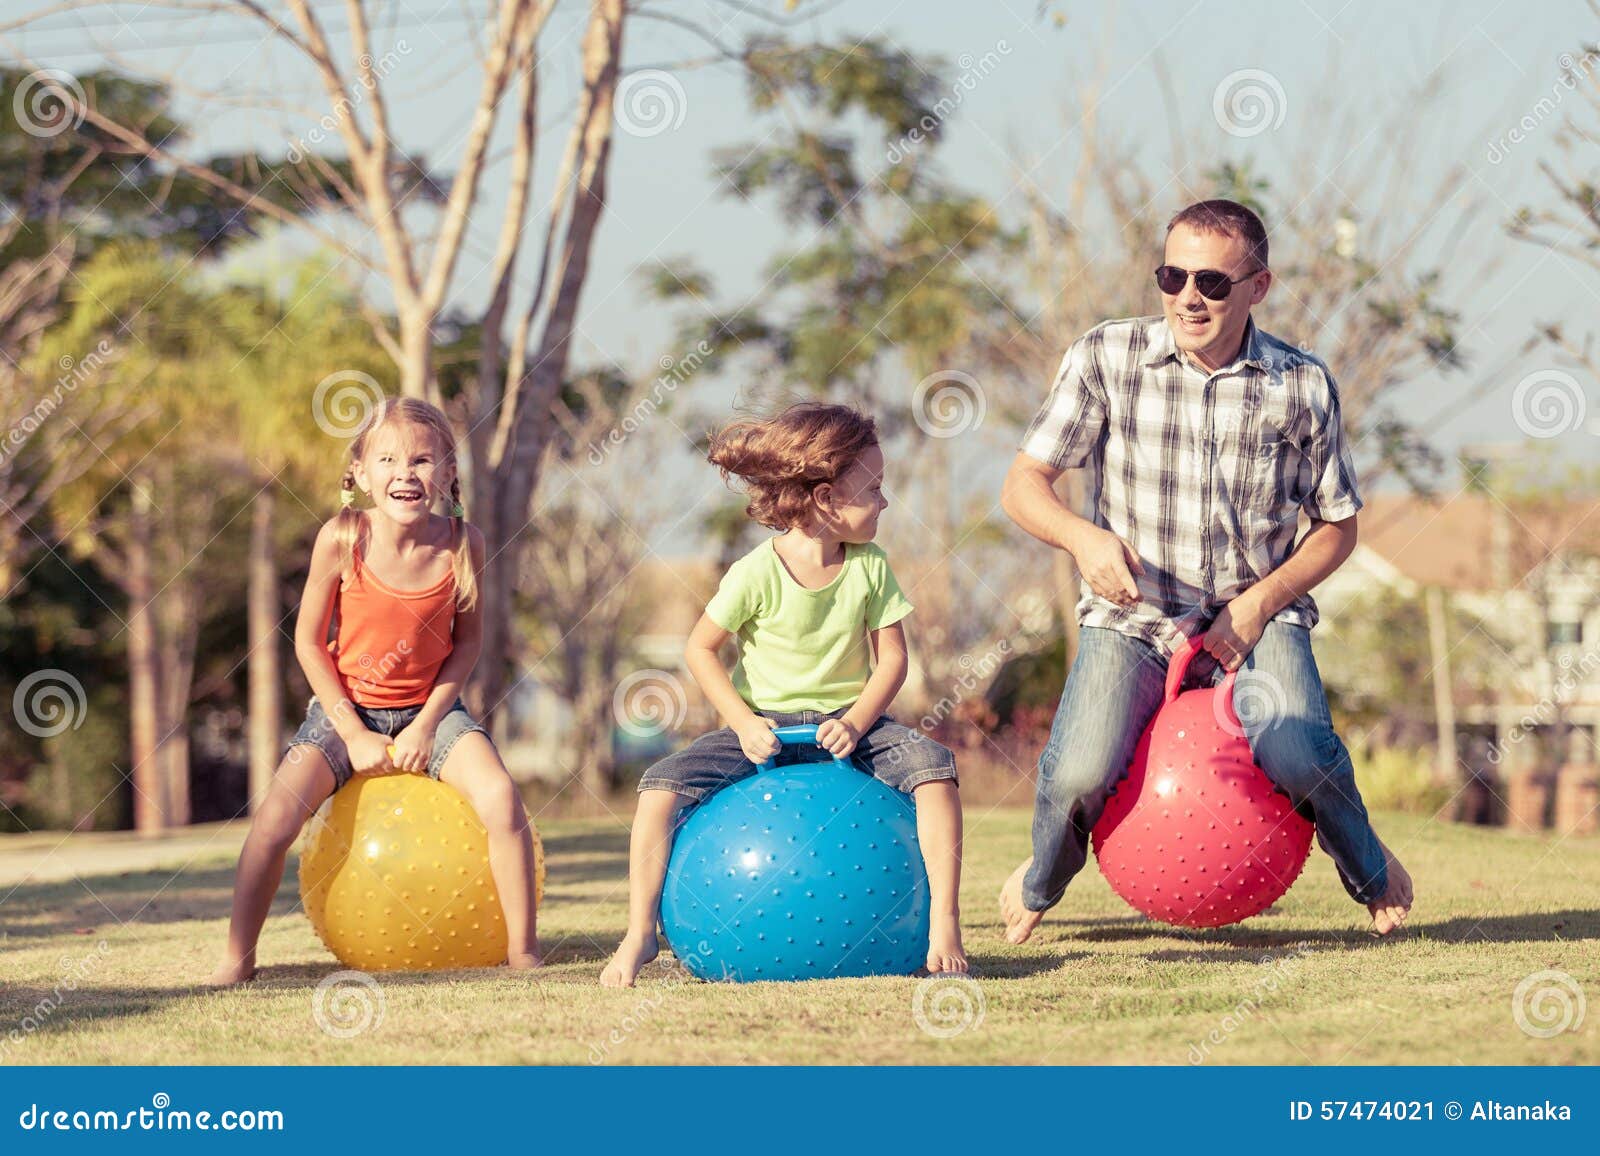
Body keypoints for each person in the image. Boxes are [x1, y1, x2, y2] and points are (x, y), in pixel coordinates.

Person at [997, 198, 1414, 944]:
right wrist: (1084, 541)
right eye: (1173, 275)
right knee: (1078, 772)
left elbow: (1337, 527)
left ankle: (1371, 871)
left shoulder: (1302, 384)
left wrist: (1257, 606)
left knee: (1297, 750)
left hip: (1256, 618)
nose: (1189, 296)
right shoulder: (1107, 356)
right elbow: (1024, 484)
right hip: (1136, 619)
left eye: (1214, 282)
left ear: (1259, 286)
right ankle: (1039, 881)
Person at [601, 402, 966, 987]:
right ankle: (640, 930)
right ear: (825, 499)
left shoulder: (871, 567)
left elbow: (893, 660)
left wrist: (856, 721)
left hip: (853, 726)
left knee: (935, 770)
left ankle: (944, 923)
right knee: (658, 788)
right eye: (873, 489)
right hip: (764, 728)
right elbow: (700, 649)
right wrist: (743, 723)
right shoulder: (753, 572)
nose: (885, 501)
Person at [206, 398, 541, 983]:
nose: (405, 474)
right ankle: (237, 961)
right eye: (386, 460)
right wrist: (354, 732)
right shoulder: (341, 538)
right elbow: (309, 644)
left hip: (433, 712)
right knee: (274, 822)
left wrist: (427, 723)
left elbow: (467, 645)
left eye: (421, 460)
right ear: (359, 474)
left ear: (447, 473)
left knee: (501, 801)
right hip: (345, 712)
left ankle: (523, 953)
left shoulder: (466, 544)